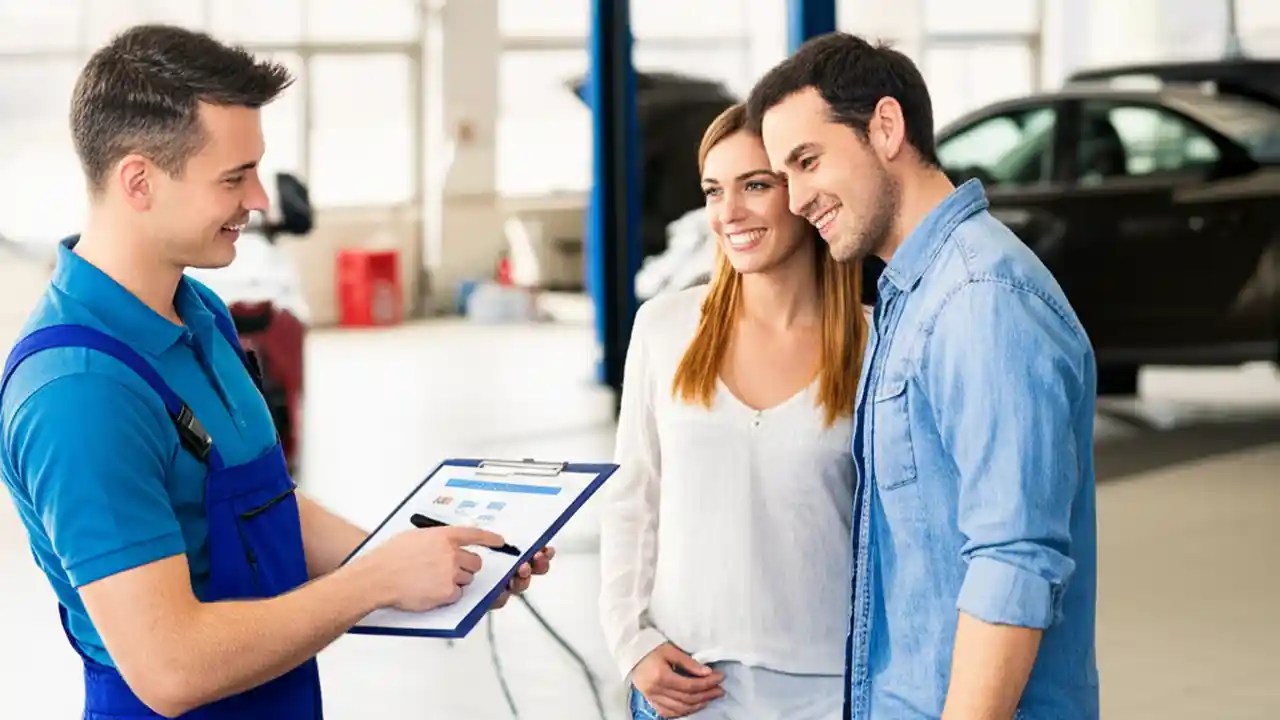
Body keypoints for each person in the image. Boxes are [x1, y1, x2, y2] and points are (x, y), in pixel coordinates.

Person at [0, 24, 551, 719]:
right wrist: (373, 582)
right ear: (138, 180)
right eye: (233, 177)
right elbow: (170, 668)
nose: (260, 199)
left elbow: (264, 502)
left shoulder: (197, 312)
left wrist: (430, 559)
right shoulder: (77, 393)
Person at [745, 32, 1099, 719]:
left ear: (885, 128)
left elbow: (1013, 565)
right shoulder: (913, 298)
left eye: (807, 161)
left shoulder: (979, 298)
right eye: (784, 175)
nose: (794, 200)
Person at [599, 103, 871, 720]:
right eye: (714, 190)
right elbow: (631, 499)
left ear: (801, 192)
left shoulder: (873, 344)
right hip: (684, 688)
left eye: (755, 185)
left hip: (829, 691)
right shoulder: (665, 327)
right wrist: (630, 644)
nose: (729, 213)